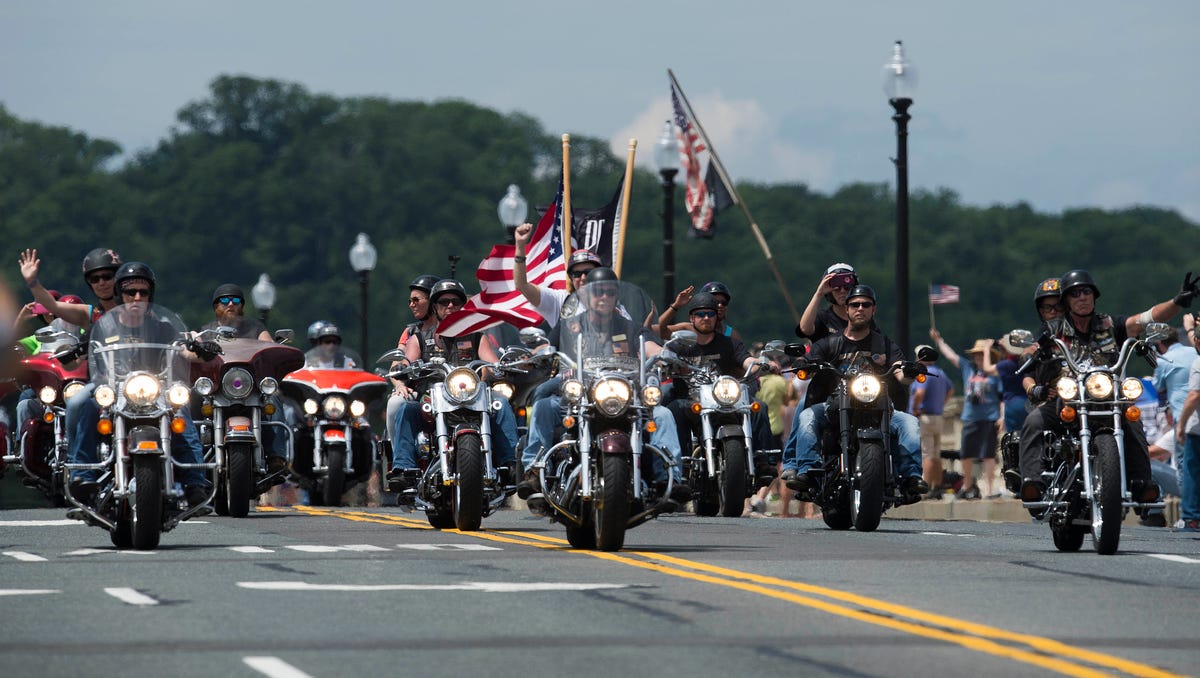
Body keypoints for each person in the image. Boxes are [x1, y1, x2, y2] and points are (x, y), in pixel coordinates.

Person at [1017, 268, 1198, 505]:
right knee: (1034, 421)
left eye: (1086, 291)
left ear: (1094, 295)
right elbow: (1029, 353)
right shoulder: (1053, 331)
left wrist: (1178, 301)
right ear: (1067, 300)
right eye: (1074, 294)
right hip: (1067, 398)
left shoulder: (1110, 325)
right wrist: (1030, 368)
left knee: (1132, 418)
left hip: (1107, 397)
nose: (1082, 297)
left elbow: (1147, 318)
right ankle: (1033, 481)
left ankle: (1141, 482)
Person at [517, 267, 686, 505]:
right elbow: (548, 347)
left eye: (609, 292)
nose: (604, 297)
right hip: (580, 398)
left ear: (616, 295)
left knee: (663, 414)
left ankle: (669, 478)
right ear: (586, 296)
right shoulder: (570, 325)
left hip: (623, 397)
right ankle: (534, 470)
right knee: (544, 406)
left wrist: (665, 354)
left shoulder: (629, 326)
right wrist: (535, 356)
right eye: (598, 292)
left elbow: (648, 346)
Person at [69, 262, 213, 509]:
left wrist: (198, 348)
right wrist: (73, 352)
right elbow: (78, 358)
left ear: (150, 295)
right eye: (130, 292)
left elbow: (185, 350)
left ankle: (195, 482)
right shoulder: (104, 327)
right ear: (119, 294)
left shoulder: (162, 328)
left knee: (182, 409)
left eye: (142, 292)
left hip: (154, 390)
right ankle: (83, 475)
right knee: (88, 406)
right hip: (113, 389)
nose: (136, 297)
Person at [780, 285, 928, 499]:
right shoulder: (830, 343)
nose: (860, 308)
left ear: (873, 310)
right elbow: (810, 363)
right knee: (806, 416)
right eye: (855, 304)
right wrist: (804, 364)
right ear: (846, 309)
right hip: (834, 405)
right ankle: (807, 471)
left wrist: (911, 370)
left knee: (910, 423)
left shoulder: (884, 344)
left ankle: (911, 477)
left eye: (866, 304)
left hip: (879, 406)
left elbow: (900, 373)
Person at [387, 279, 518, 491]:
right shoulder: (419, 338)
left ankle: (510, 465)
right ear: (434, 307)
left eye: (455, 301)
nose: (449, 306)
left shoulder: (476, 336)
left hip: (472, 398)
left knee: (501, 402)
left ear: (461, 306)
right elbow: (406, 362)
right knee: (406, 409)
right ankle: (403, 468)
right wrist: (403, 368)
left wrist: (502, 366)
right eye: (443, 302)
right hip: (432, 399)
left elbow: (492, 364)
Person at [663, 291, 770, 461]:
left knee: (759, 407)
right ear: (692, 318)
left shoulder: (730, 344)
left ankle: (763, 460)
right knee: (673, 409)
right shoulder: (680, 346)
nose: (706, 318)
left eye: (710, 313)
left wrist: (763, 363)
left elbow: (746, 360)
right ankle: (681, 463)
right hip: (691, 400)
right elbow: (656, 333)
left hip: (726, 400)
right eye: (700, 314)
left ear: (716, 317)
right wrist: (664, 364)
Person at [931, 332, 1001, 499]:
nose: (978, 356)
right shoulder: (968, 368)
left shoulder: (995, 372)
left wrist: (1002, 416)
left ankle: (989, 490)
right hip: (970, 417)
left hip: (990, 416)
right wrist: (938, 340)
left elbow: (1002, 397)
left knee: (988, 455)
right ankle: (967, 485)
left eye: (982, 353)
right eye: (976, 353)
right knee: (966, 454)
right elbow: (951, 356)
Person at [385, 274, 439, 440]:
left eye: (416, 300)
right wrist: (400, 385)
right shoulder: (410, 332)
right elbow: (396, 366)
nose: (411, 305)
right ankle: (398, 457)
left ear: (431, 300)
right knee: (395, 403)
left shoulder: (455, 328)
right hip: (418, 391)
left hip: (453, 390)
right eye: (410, 301)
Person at [908, 343, 953, 499]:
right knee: (935, 453)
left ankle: (924, 489)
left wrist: (914, 408)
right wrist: (941, 403)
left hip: (924, 417)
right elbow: (951, 389)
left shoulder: (923, 373)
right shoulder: (940, 372)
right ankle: (937, 485)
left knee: (926, 454)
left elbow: (920, 392)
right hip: (937, 417)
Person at [1172, 325, 1200, 532]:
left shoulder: (1198, 362)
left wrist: (1181, 424)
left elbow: (1194, 395)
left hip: (1197, 428)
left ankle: (1191, 517)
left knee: (1192, 472)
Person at [795, 262, 865, 342]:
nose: (842, 291)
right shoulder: (823, 318)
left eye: (847, 287)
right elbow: (805, 329)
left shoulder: (861, 317)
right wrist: (819, 293)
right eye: (836, 287)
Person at [657, 281, 742, 342]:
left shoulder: (731, 335)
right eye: (715, 302)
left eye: (724, 303)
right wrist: (675, 306)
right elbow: (658, 331)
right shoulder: (687, 330)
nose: (720, 305)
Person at [199, 283, 271, 340]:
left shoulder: (255, 328)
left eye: (236, 300)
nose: (231, 304)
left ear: (241, 306)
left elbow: (269, 345)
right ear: (216, 306)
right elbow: (191, 344)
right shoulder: (205, 332)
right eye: (225, 300)